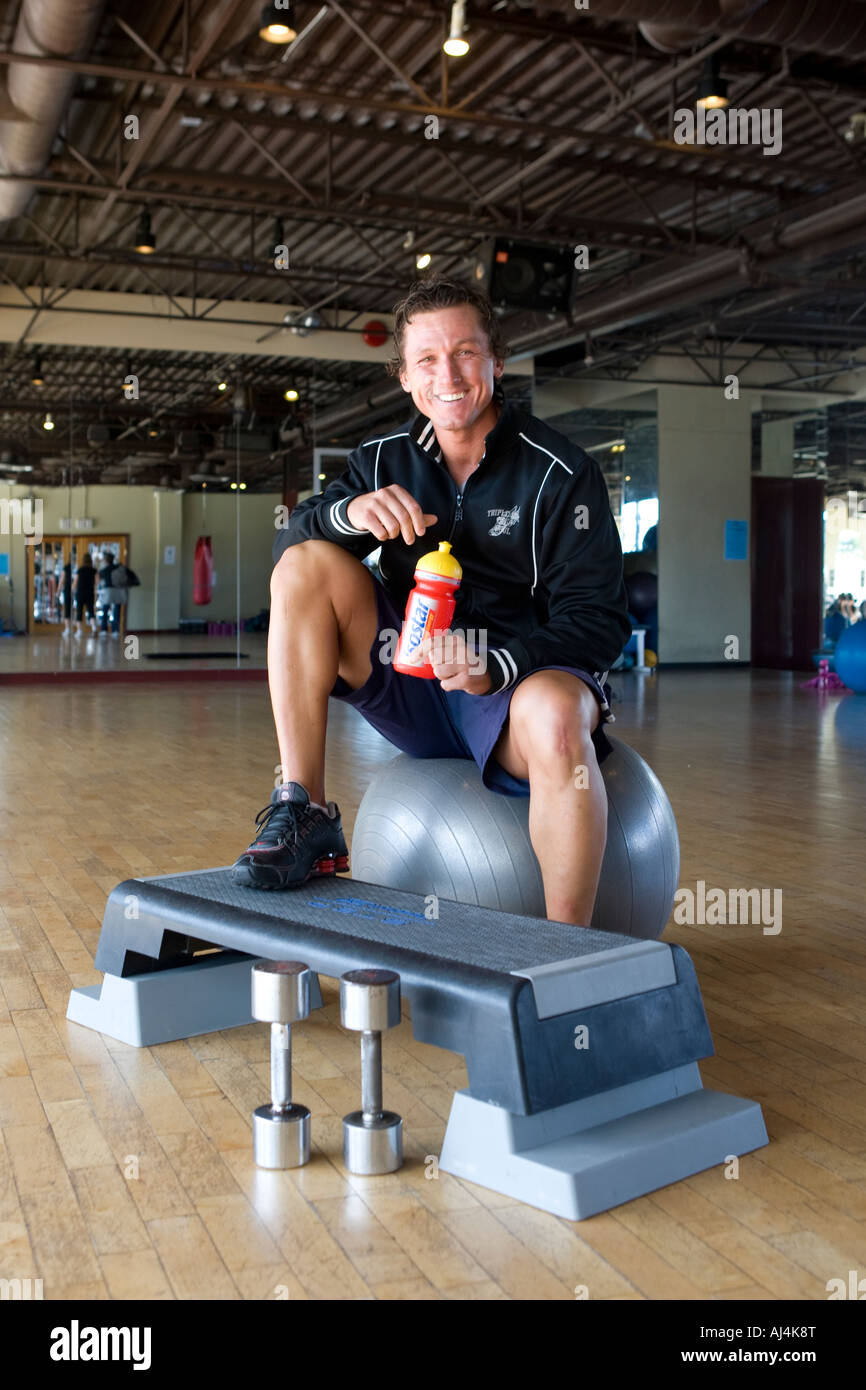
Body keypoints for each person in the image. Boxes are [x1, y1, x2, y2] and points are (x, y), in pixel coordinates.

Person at [232, 275, 631, 926]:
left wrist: (496, 664)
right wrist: (350, 512)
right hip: (408, 676)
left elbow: (600, 619)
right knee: (305, 563)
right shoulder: (382, 458)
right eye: (427, 359)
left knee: (560, 713)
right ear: (405, 378)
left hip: (512, 692)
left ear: (496, 363)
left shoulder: (561, 474)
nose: (448, 374)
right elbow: (290, 538)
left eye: (466, 353)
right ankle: (305, 808)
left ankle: (564, 957)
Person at [96, 550, 127, 636]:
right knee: (116, 611)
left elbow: (98, 580)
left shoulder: (104, 570)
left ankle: (104, 630)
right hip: (118, 591)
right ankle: (115, 630)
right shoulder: (118, 568)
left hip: (108, 591)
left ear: (106, 560)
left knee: (105, 609)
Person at [69, 552, 97, 638]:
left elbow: (75, 583)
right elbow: (98, 582)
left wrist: (72, 590)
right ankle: (94, 628)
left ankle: (79, 631)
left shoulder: (80, 570)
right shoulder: (94, 570)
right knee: (91, 611)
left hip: (80, 593)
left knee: (79, 611)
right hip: (90, 592)